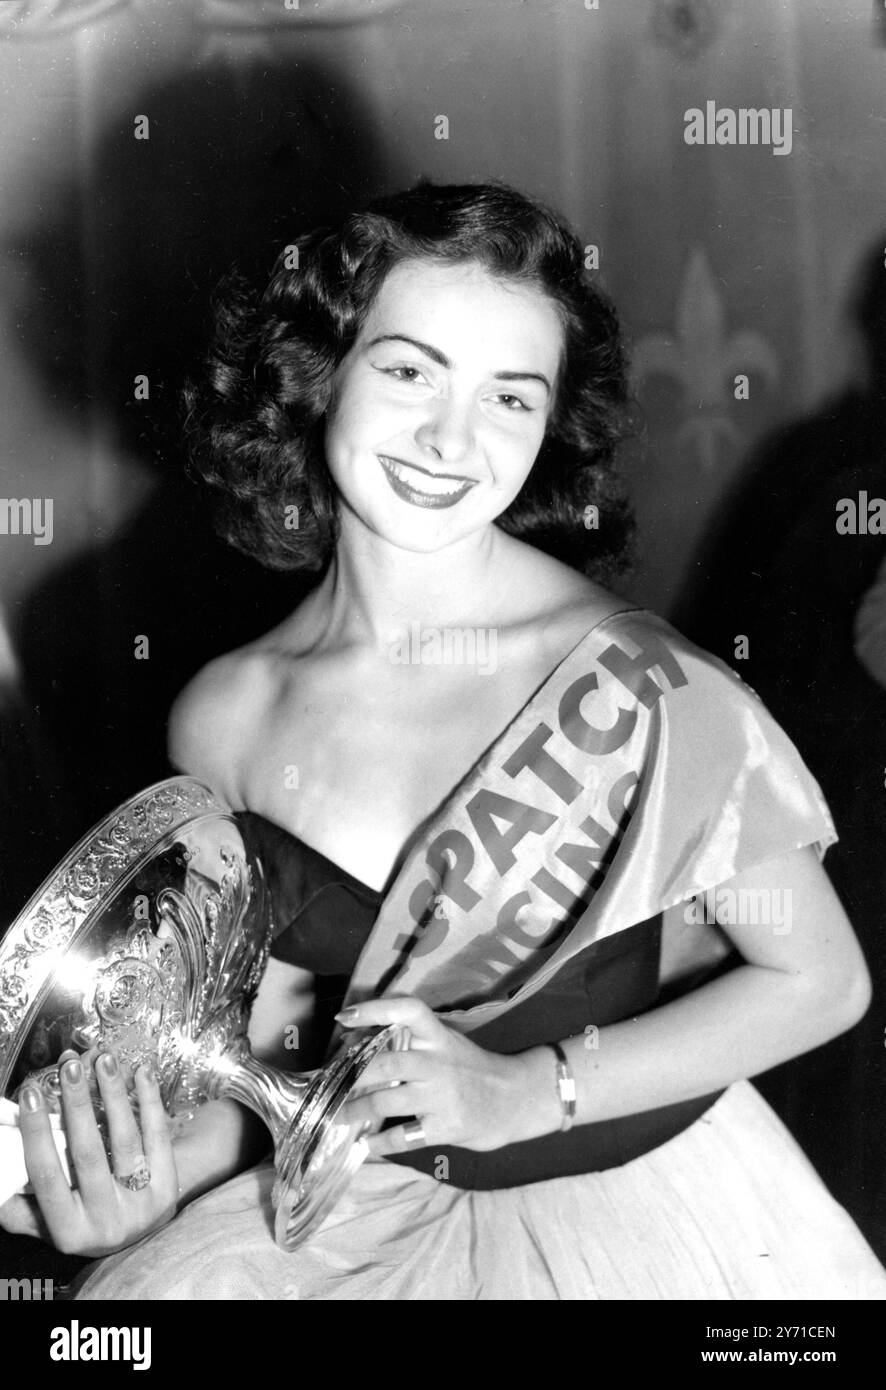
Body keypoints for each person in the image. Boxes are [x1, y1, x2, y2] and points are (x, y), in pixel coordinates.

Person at [3, 180, 885, 1300]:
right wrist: (152, 1178)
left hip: (633, 1215)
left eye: (510, 398)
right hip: (358, 1224)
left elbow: (821, 981)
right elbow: (288, 1057)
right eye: (408, 369)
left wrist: (532, 1090)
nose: (451, 439)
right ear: (316, 374)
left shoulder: (637, 685)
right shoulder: (223, 713)